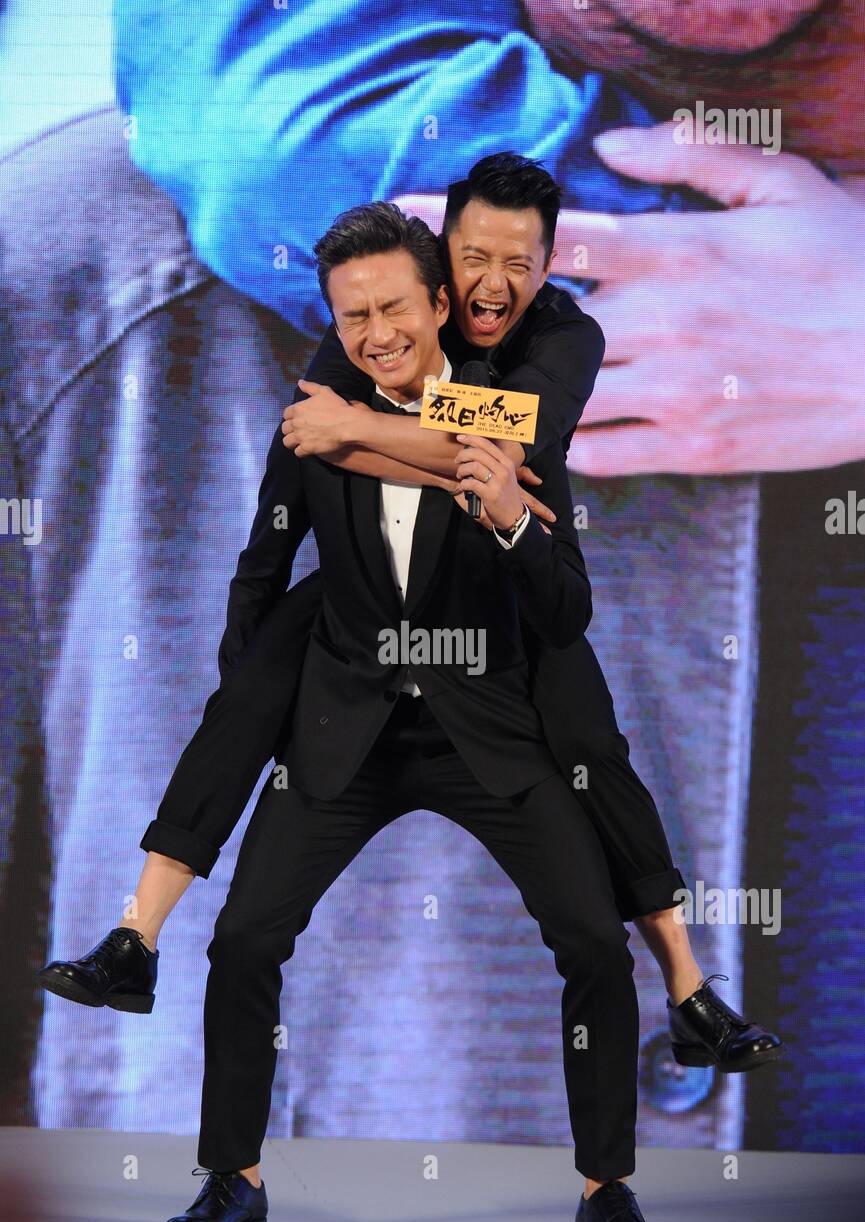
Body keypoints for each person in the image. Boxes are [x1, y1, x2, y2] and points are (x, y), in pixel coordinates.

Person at [37, 156, 783, 1078]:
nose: (491, 283)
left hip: (506, 596)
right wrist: (255, 641)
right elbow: (306, 458)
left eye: (519, 262)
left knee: (590, 742)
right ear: (442, 257)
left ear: (548, 267)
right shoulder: (382, 319)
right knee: (253, 683)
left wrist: (367, 429)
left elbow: (512, 437)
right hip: (364, 607)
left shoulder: (565, 335)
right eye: (472, 256)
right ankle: (133, 938)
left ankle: (687, 990)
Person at [144, 197, 679, 1222]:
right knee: (245, 938)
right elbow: (264, 564)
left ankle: (605, 1192)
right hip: (344, 729)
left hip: (489, 730)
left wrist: (504, 518)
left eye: (394, 307)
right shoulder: (313, 413)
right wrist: (265, 700)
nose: (377, 333)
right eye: (353, 319)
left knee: (592, 946)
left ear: (439, 303)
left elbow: (561, 599)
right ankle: (232, 1179)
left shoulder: (512, 411)